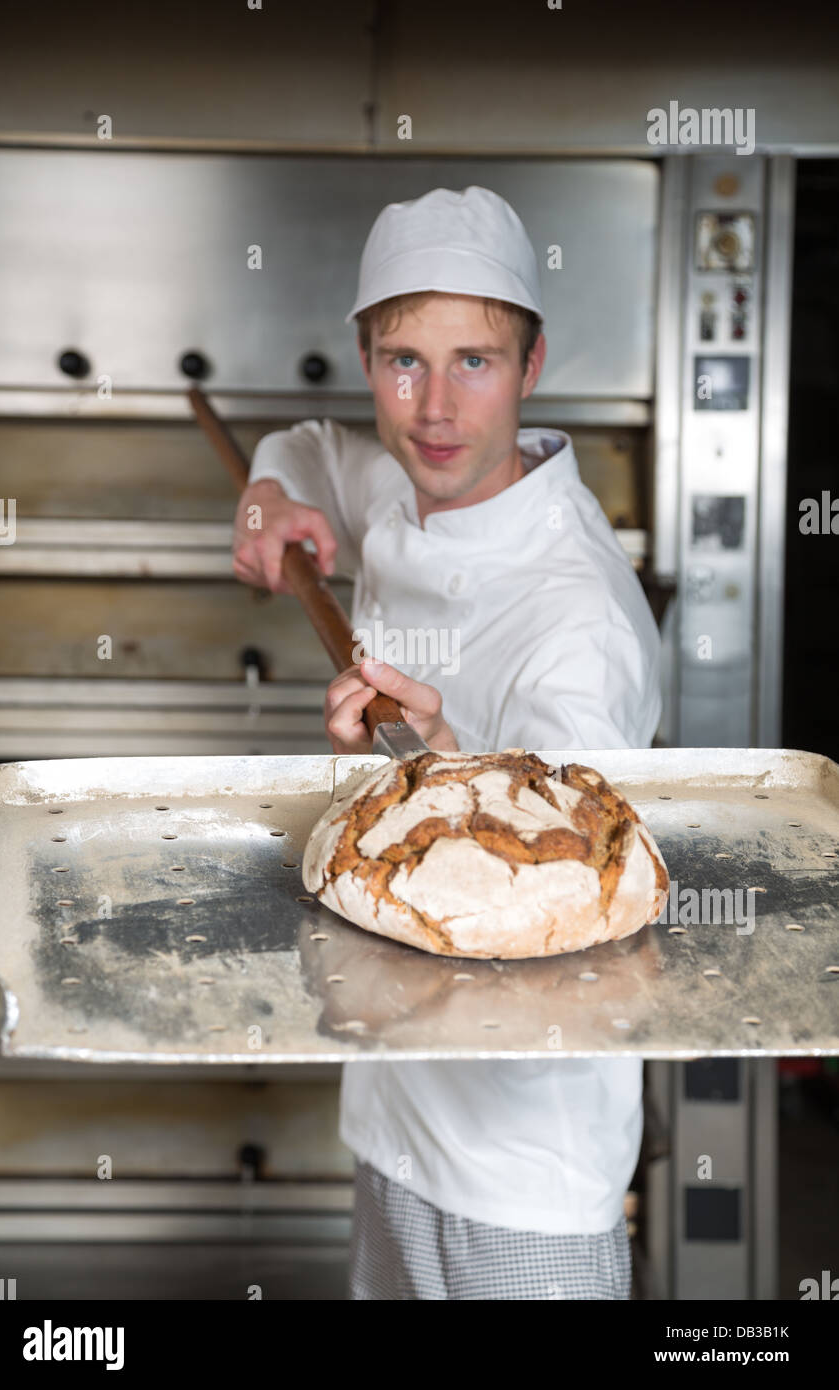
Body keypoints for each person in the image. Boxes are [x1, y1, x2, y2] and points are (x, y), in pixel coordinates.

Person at [232, 186, 661, 1300]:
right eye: (400, 360)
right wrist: (269, 499)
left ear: (532, 364)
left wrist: (445, 759)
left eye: (472, 361)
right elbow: (307, 447)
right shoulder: (402, 476)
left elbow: (570, 895)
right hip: (389, 1113)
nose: (431, 407)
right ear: (366, 357)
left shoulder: (580, 621)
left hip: (522, 1167)